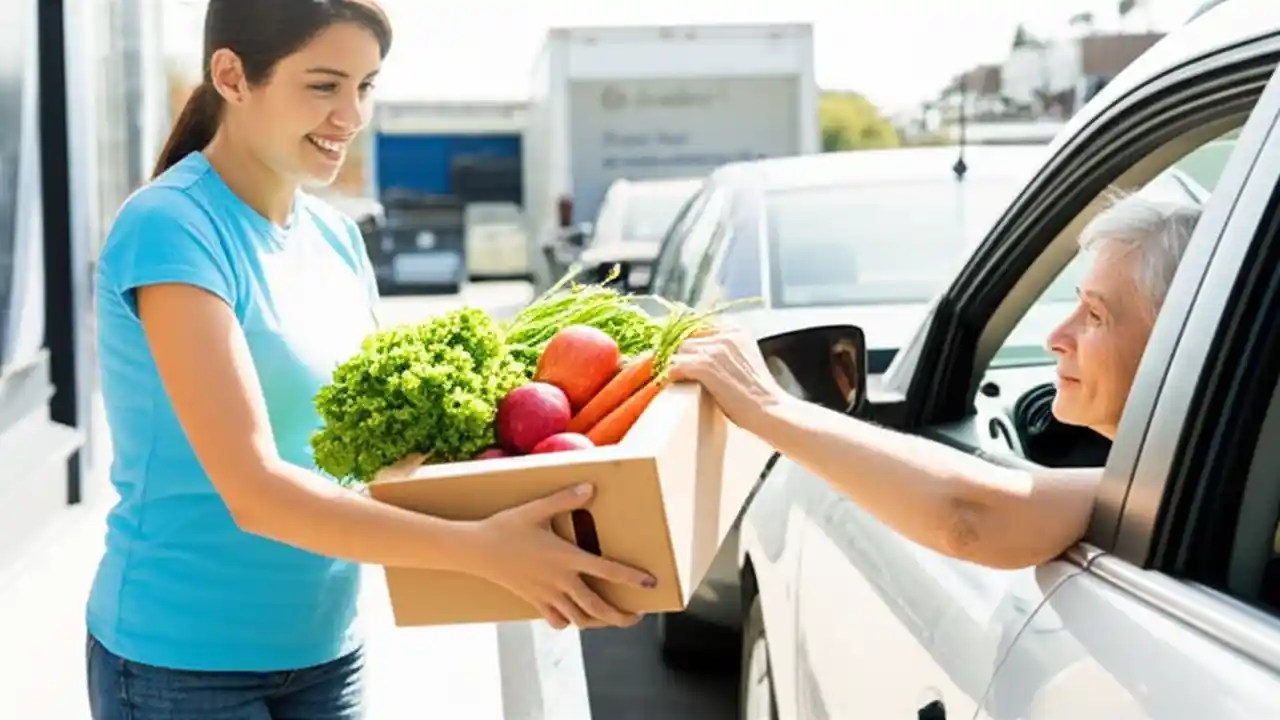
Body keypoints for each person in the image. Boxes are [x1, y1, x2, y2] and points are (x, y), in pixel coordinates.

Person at [85, 2, 651, 718]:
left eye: (365, 86)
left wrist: (539, 511)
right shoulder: (172, 228)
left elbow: (380, 457)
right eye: (324, 86)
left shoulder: (334, 240)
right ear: (231, 75)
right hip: (181, 664)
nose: (351, 116)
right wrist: (481, 550)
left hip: (325, 649)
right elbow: (255, 491)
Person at [670, 192, 1201, 571]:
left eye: (1095, 315)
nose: (1056, 338)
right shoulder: (1208, 477)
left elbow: (967, 518)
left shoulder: (1186, 486)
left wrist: (769, 406)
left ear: (1182, 341)